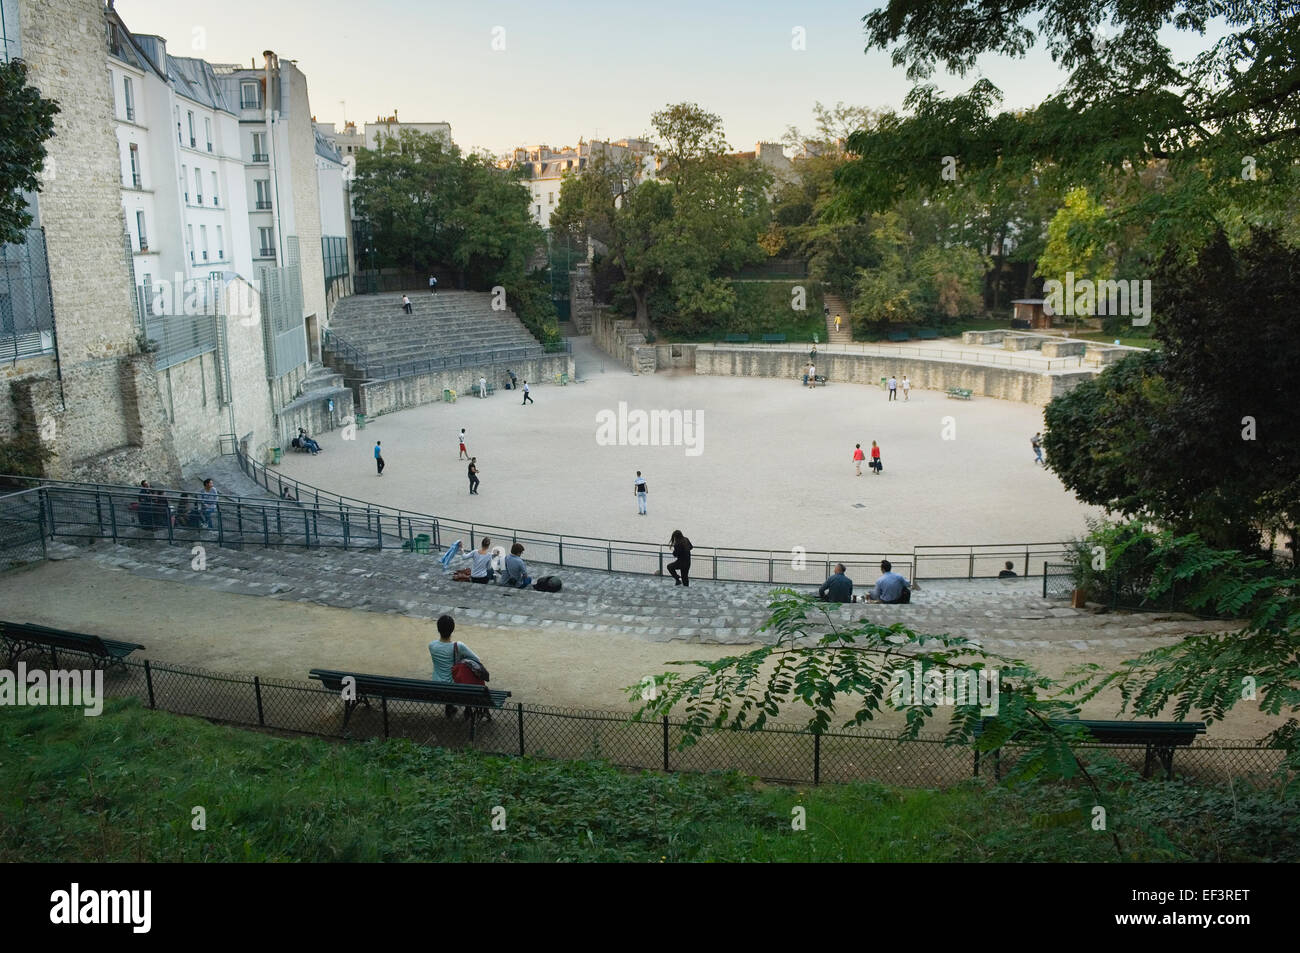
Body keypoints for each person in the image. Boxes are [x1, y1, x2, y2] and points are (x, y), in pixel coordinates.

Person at [428, 614, 483, 718]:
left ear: (438, 629)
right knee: (466, 668)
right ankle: (468, 708)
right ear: (452, 629)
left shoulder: (431, 646)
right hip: (456, 690)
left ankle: (449, 707)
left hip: (437, 687)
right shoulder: (458, 646)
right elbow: (477, 660)